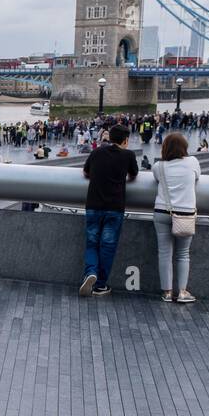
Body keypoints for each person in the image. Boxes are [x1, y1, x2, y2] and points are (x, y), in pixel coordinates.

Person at [79, 123, 138, 298]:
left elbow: (86, 172)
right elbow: (133, 174)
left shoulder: (96, 152)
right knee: (107, 246)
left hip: (93, 205)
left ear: (109, 137)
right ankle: (100, 285)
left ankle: (91, 272)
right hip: (114, 207)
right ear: (126, 140)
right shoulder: (128, 155)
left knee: (91, 243)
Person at [153, 131, 200, 304]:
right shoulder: (193, 162)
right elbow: (197, 177)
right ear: (184, 148)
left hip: (162, 212)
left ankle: (166, 292)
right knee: (183, 254)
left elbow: (158, 180)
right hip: (185, 214)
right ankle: (182, 292)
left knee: (164, 253)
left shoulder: (159, 166)